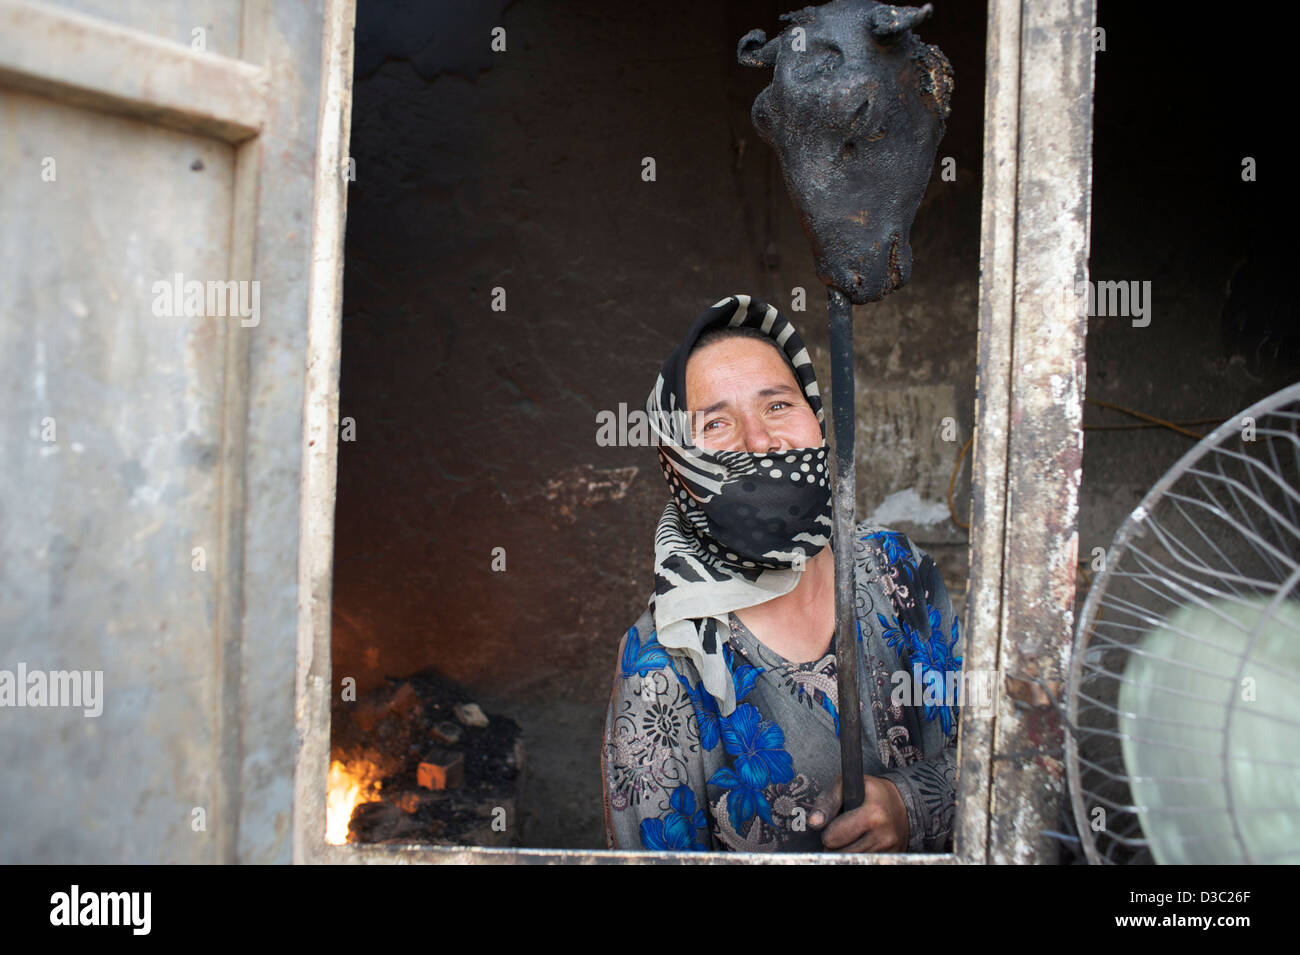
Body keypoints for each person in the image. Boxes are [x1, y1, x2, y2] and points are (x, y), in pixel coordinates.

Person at [601, 293, 962, 853]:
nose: (760, 441)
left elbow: (993, 759)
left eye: (777, 406)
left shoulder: (899, 571)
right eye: (716, 422)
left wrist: (910, 805)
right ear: (677, 463)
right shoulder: (662, 664)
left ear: (815, 419)